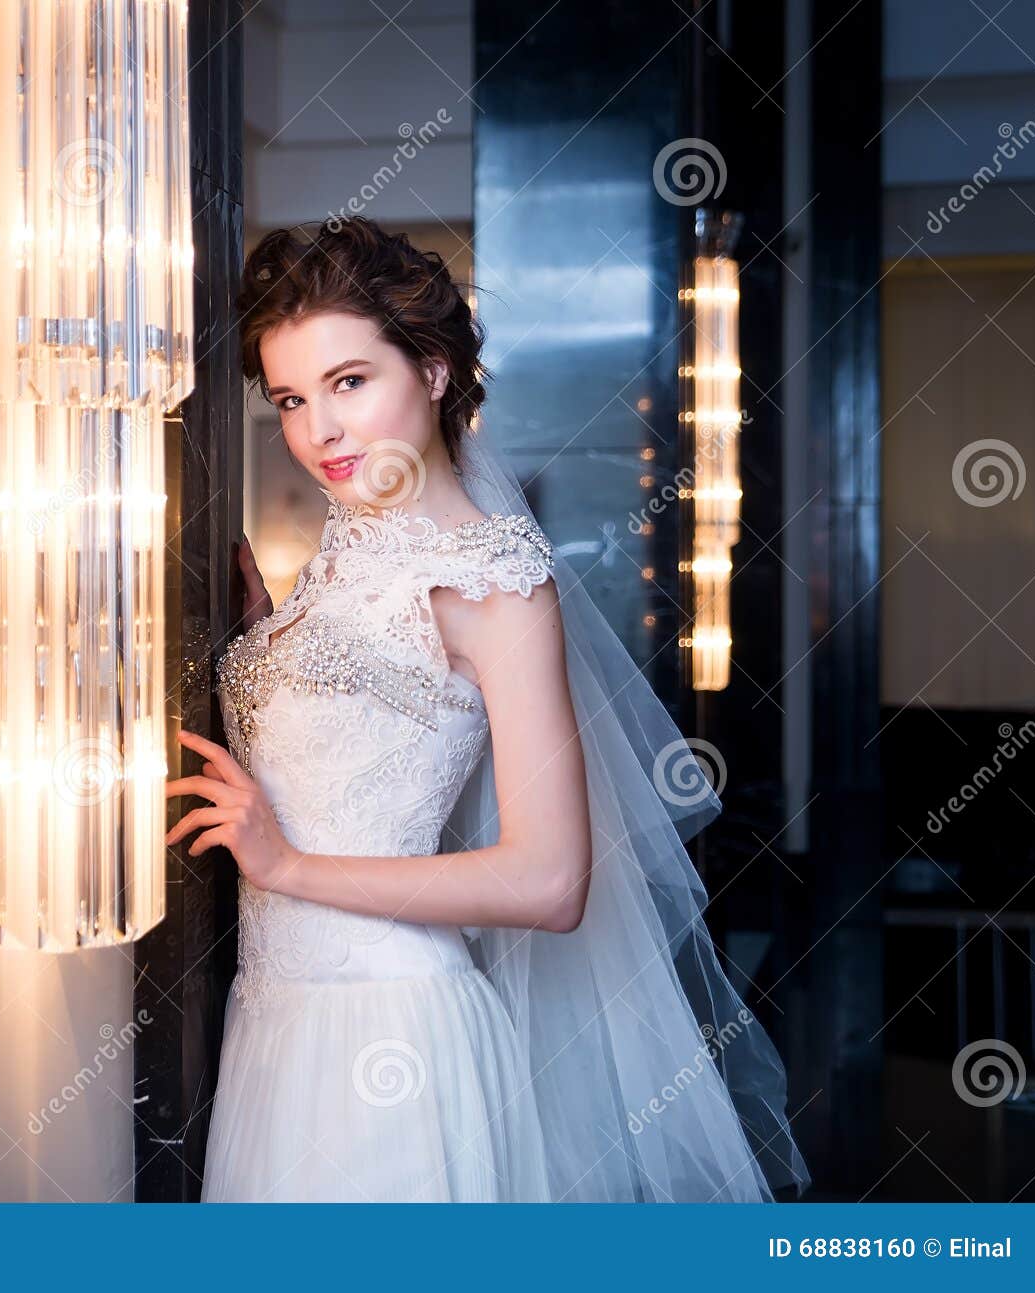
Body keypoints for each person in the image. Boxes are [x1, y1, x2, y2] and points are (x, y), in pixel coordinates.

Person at [168, 216, 810, 1202]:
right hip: (273, 1023)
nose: (319, 432)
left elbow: (550, 883)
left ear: (430, 371)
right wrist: (259, 643)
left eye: (349, 383)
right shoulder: (344, 547)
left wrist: (286, 862)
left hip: (392, 1036)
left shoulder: (493, 580)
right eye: (292, 399)